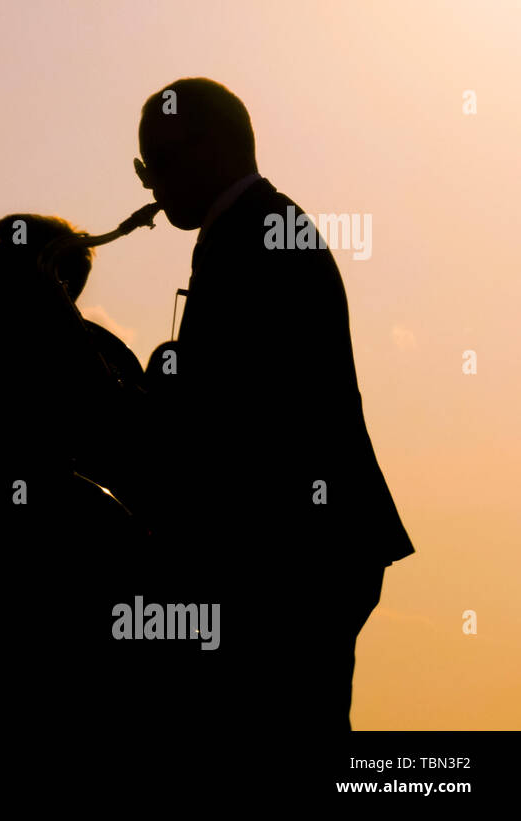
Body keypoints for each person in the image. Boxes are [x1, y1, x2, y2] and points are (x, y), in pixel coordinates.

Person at [136, 77, 415, 732]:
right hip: (307, 547)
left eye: (163, 163)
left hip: (288, 555)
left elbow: (228, 415)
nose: (153, 187)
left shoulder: (255, 237)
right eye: (145, 169)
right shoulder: (256, 228)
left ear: (219, 149)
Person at [0, 214, 155, 731]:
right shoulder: (16, 359)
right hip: (15, 645)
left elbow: (76, 506)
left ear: (48, 284)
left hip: (66, 649)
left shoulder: (93, 363)